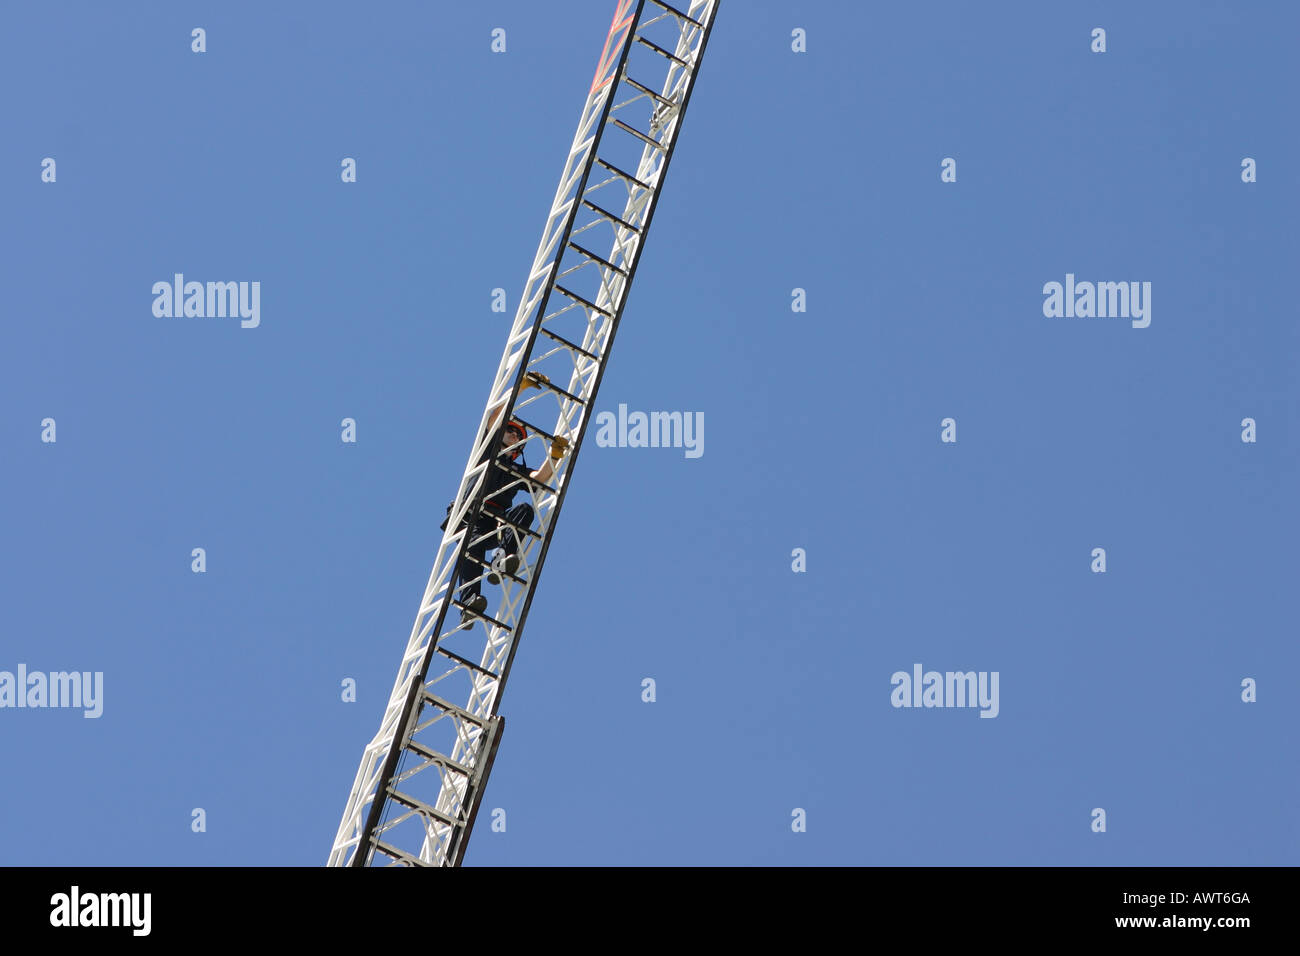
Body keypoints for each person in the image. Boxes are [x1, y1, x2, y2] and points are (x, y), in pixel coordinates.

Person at [441, 371, 569, 626]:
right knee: (471, 545)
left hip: (495, 522)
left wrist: (555, 455)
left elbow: (538, 478)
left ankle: (502, 559)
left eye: (519, 437)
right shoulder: (486, 449)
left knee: (524, 510)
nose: (515, 436)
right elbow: (495, 418)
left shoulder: (515, 469)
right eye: (511, 431)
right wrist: (520, 386)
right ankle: (469, 603)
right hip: (472, 516)